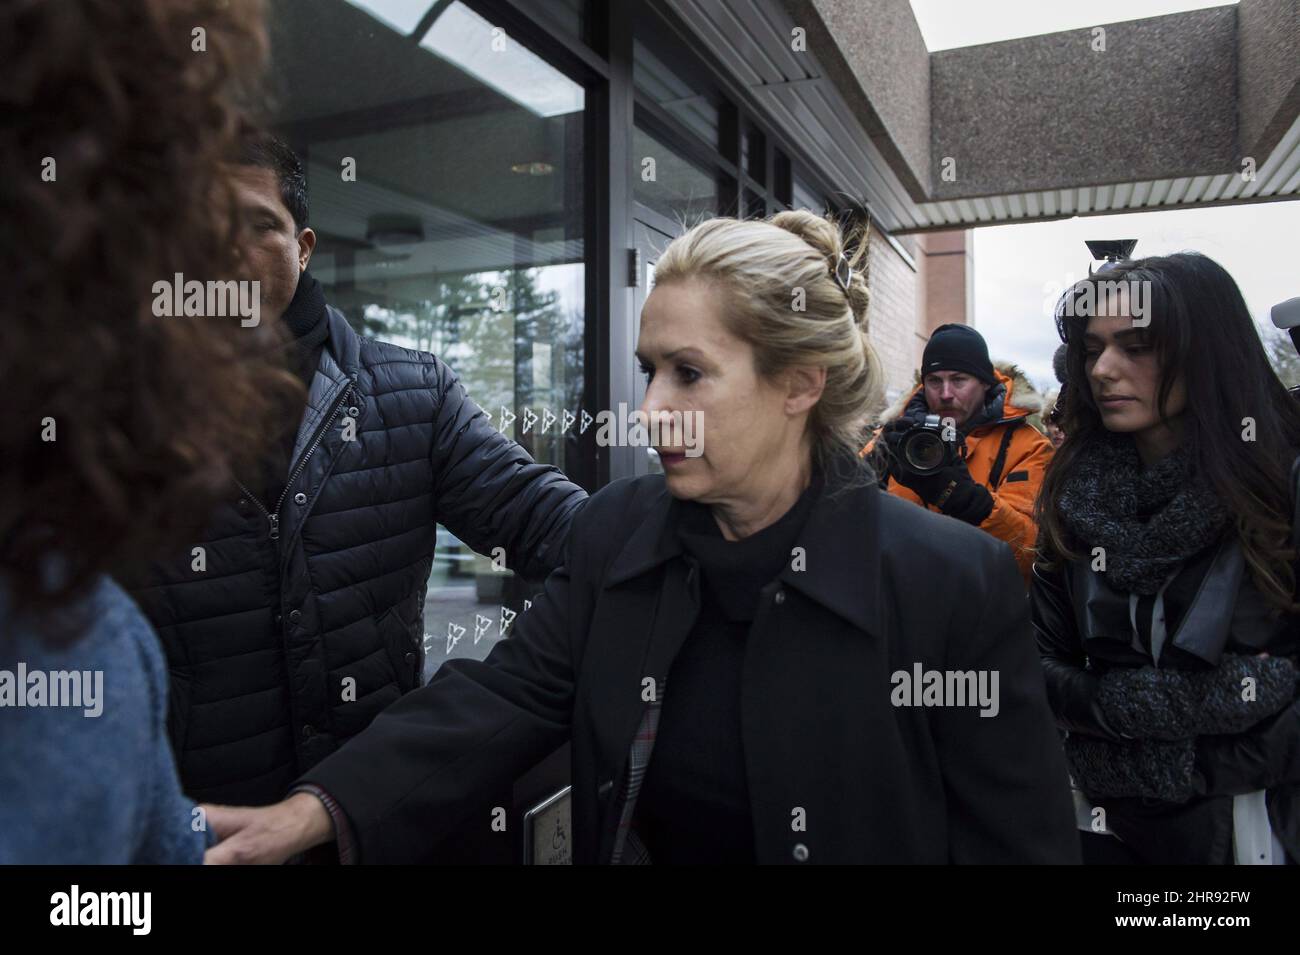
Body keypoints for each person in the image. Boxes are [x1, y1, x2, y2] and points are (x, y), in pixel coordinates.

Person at [202, 212, 1080, 865]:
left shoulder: (951, 584)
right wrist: (317, 806)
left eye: (689, 373)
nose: (649, 409)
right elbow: (495, 699)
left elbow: (1021, 847)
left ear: (799, 384)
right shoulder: (615, 536)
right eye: (648, 370)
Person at [120, 137, 588, 809]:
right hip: (199, 828)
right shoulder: (120, 421)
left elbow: (553, 524)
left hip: (369, 817)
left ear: (303, 246)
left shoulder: (414, 394)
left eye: (257, 225)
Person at [0, 0, 290, 862]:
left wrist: (331, 806)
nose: (230, 255)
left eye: (259, 227)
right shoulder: (78, 641)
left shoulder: (84, 632)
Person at [1033, 253, 1300, 864]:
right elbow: (1038, 667)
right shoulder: (1072, 494)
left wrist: (1177, 762)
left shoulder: (1279, 488)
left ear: (1208, 350)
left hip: (1257, 832)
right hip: (1098, 830)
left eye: (1138, 346)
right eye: (1093, 348)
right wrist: (1180, 705)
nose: (1103, 370)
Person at [864, 326, 1054, 581]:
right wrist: (871, 470)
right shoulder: (894, 437)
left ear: (985, 382)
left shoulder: (1027, 446)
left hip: (979, 606)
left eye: (958, 380)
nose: (945, 394)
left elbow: (1030, 554)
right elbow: (832, 513)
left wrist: (966, 501)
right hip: (894, 598)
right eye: (934, 381)